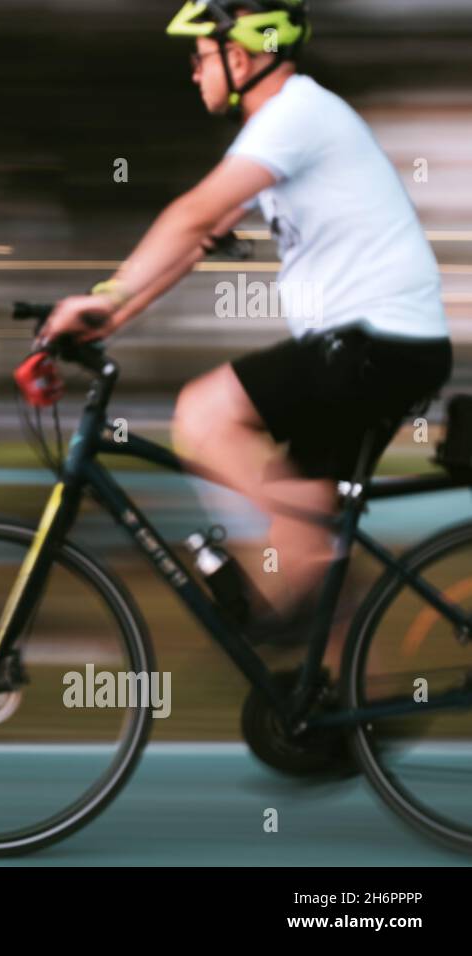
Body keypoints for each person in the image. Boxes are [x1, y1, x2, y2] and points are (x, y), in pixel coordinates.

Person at [38, 0, 452, 644]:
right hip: (375, 350)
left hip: (372, 345)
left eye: (199, 58)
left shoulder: (297, 115)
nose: (193, 74)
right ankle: (334, 708)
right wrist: (106, 314)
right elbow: (198, 242)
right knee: (301, 539)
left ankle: (323, 587)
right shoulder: (284, 127)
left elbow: (193, 215)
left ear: (238, 57)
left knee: (205, 414)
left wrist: (109, 298)